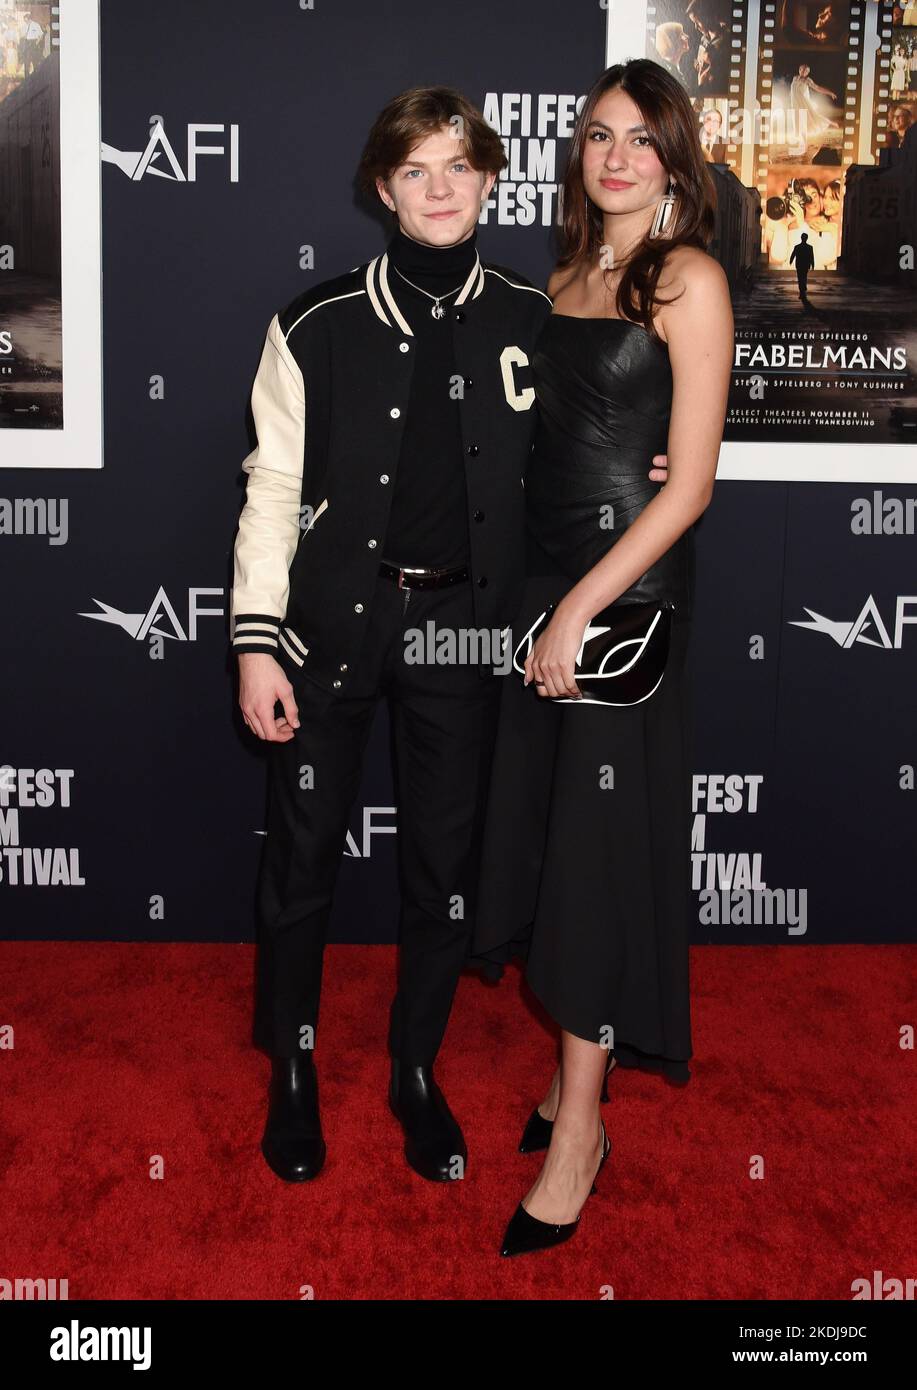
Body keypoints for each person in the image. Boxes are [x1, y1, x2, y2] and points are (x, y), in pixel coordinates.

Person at [229, 82, 676, 1187]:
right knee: (300, 864)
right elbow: (272, 487)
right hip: (332, 622)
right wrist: (252, 640)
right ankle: (290, 1064)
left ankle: (413, 1069)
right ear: (383, 188)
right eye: (414, 170)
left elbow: (598, 427)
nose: (439, 188)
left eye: (458, 167)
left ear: (489, 178)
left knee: (443, 868)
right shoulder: (312, 322)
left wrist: (643, 465)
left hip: (462, 632)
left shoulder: (533, 310)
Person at [471, 58, 733, 1257]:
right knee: (541, 838)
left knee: (587, 859)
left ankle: (580, 1127)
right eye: (595, 136)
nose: (613, 156)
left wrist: (576, 610)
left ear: (675, 159)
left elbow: (686, 490)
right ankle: (567, 1081)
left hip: (617, 603)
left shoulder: (686, 279)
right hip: (544, 590)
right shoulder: (568, 274)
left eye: (638, 138)